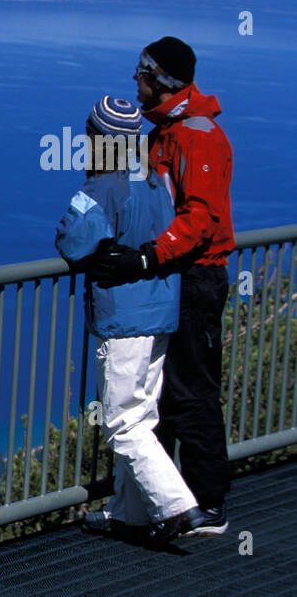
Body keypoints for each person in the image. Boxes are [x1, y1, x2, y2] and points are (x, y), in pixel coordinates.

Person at [89, 38, 233, 535]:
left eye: (142, 73)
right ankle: (159, 506)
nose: (135, 81)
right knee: (164, 394)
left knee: (191, 390)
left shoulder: (197, 137)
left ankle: (205, 505)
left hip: (196, 277)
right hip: (176, 276)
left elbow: (202, 218)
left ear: (163, 80)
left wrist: (146, 256)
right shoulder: (168, 133)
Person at [55, 95, 206, 543]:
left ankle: (178, 507)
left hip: (123, 319)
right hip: (160, 312)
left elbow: (71, 243)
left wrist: (85, 200)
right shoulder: (157, 179)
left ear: (97, 137)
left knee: (123, 424)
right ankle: (129, 514)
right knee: (142, 414)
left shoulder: (103, 188)